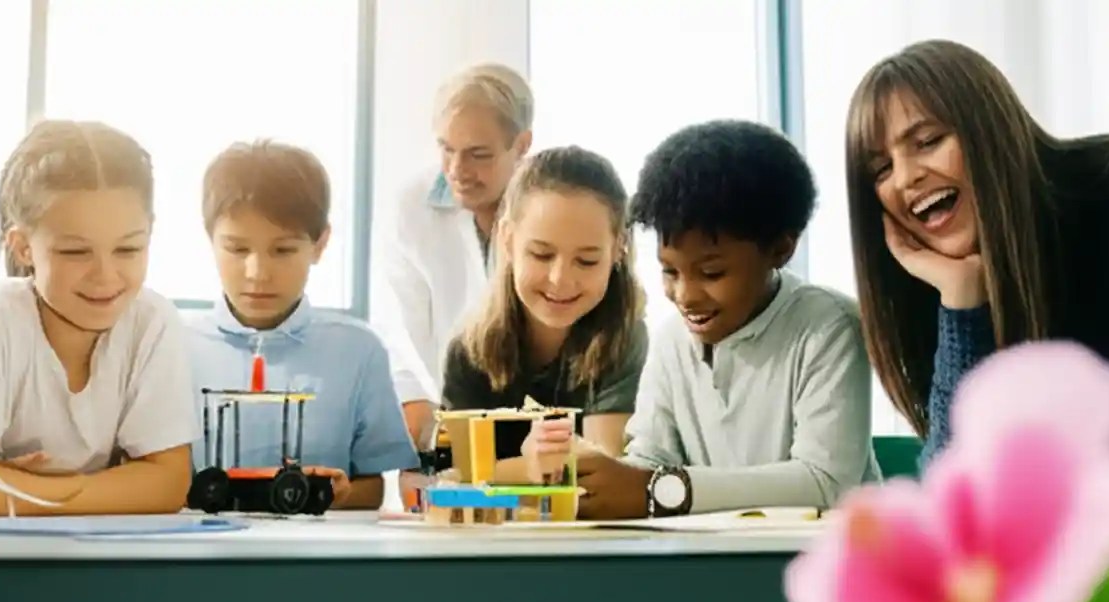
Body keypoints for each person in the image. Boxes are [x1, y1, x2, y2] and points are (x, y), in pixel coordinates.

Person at [530, 120, 879, 519]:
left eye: (712, 273)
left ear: (781, 249)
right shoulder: (672, 342)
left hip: (828, 567)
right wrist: (587, 469)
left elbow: (826, 483)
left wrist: (661, 489)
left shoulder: (828, 329)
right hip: (712, 568)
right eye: (670, 271)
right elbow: (649, 461)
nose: (686, 295)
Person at [845, 39, 1109, 467]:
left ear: (989, 130)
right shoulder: (931, 289)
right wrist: (962, 302)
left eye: (928, 141)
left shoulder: (1102, 186)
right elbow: (955, 488)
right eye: (881, 169)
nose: (906, 177)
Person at [0, 120, 197, 516]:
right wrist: (114, 490)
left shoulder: (153, 321)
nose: (105, 276)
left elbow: (168, 484)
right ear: (24, 247)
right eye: (75, 253)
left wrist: (21, 488)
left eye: (129, 249)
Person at [186, 139, 418, 509]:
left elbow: (372, 486)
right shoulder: (173, 346)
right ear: (209, 239)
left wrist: (338, 495)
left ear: (320, 244)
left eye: (283, 250)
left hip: (315, 556)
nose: (257, 273)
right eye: (237, 249)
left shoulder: (357, 350)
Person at [441, 146, 647, 481]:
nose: (560, 279)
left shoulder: (625, 338)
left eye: (587, 261)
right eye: (541, 254)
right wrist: (531, 466)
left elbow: (606, 470)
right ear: (508, 240)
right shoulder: (468, 350)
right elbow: (454, 475)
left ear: (618, 250)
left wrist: (512, 471)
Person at [373, 62, 534, 446]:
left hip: (534, 411)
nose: (457, 170)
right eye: (447, 150)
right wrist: (424, 421)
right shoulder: (411, 207)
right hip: (439, 409)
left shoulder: (547, 207)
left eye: (479, 154)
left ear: (522, 145)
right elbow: (402, 329)